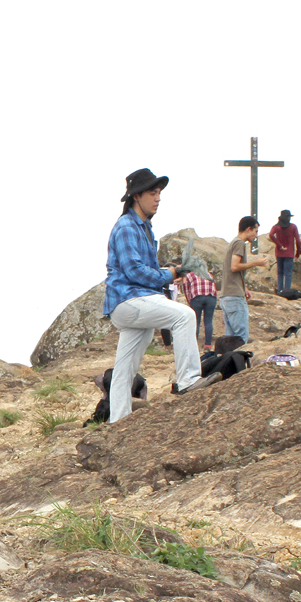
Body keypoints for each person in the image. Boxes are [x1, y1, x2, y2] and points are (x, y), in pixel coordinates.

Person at [102, 169, 220, 421]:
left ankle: (118, 420)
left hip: (131, 301)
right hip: (129, 299)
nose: (158, 198)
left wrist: (167, 273)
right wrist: (168, 274)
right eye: (153, 193)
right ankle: (188, 380)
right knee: (185, 316)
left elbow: (143, 270)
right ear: (137, 196)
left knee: (126, 366)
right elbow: (133, 271)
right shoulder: (126, 227)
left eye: (159, 193)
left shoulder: (144, 227)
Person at [221, 216, 270, 342]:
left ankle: (230, 361)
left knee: (230, 339)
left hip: (227, 295)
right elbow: (234, 266)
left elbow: (231, 270)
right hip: (235, 297)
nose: (256, 235)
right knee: (241, 338)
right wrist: (256, 263)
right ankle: (239, 361)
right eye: (256, 231)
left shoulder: (232, 242)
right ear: (249, 229)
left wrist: (244, 287)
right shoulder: (239, 243)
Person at [180, 264, 218, 351]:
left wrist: (189, 300)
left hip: (197, 298)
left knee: (195, 322)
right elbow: (214, 287)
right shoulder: (209, 274)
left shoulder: (190, 275)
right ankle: (207, 345)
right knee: (208, 321)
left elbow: (186, 288)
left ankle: (194, 345)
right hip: (211, 297)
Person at [267, 209, 300, 294]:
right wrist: (298, 253)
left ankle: (280, 290)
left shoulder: (276, 227)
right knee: (288, 274)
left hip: (279, 252)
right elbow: (298, 241)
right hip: (289, 253)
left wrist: (279, 245)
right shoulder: (293, 227)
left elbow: (271, 235)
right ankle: (287, 291)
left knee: (280, 273)